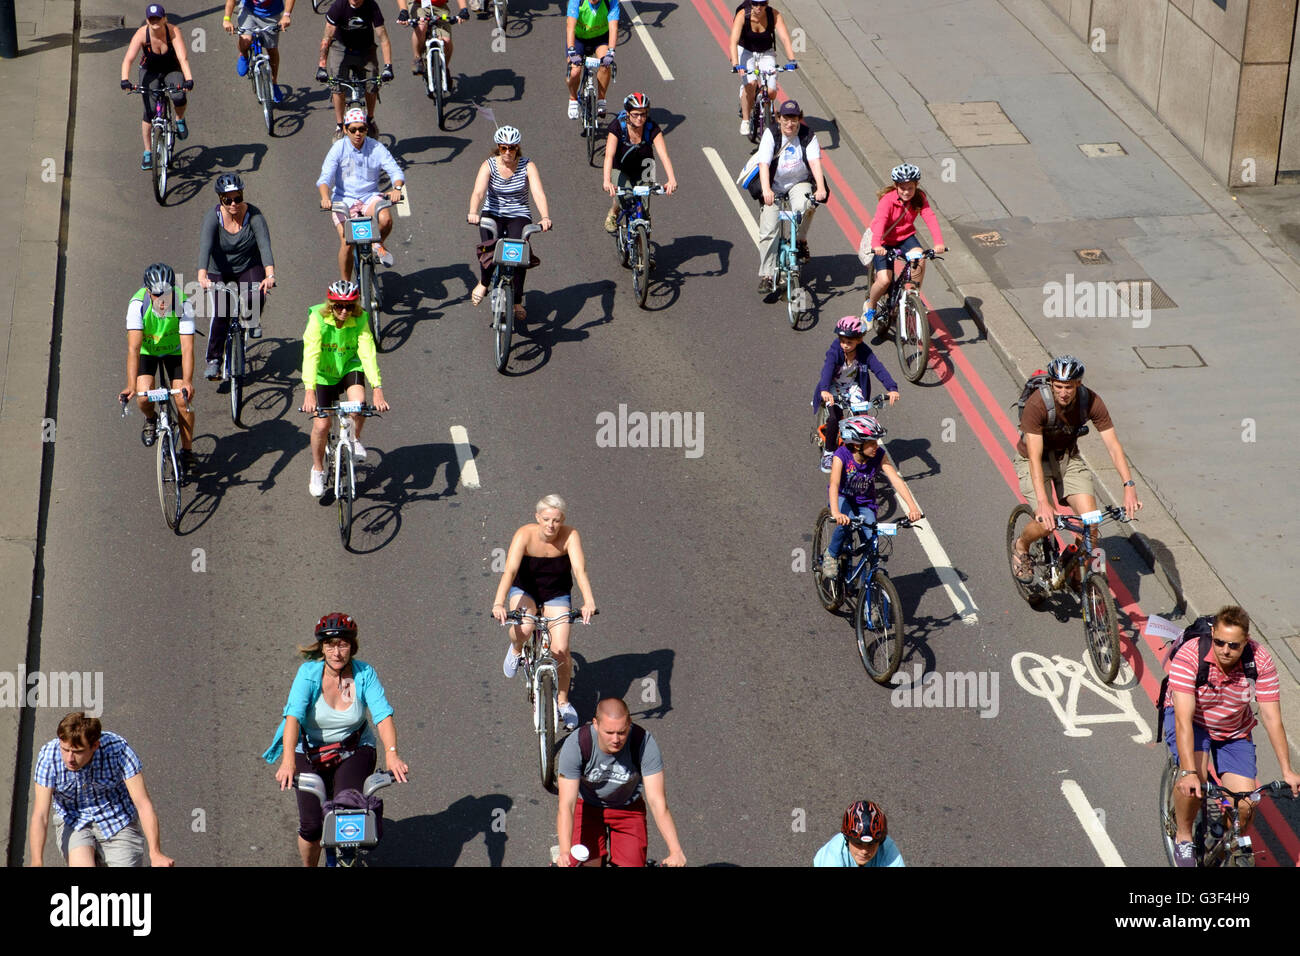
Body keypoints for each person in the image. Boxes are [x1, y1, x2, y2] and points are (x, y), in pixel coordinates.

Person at [263, 613, 409, 867]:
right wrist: (287, 761)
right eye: (330, 645)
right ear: (322, 647)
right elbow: (293, 718)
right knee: (311, 827)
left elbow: (382, 715)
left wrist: (392, 753)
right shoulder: (309, 674)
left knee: (346, 809)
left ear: (352, 646)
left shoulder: (364, 674)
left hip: (354, 749)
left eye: (343, 644)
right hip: (309, 750)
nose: (337, 652)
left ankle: (347, 851)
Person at [1166, 607, 1300, 866]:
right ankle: (1183, 837)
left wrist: (1287, 769)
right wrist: (1190, 771)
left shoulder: (1260, 661)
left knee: (1246, 804)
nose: (1225, 650)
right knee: (1195, 782)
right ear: (1213, 633)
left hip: (1233, 730)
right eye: (1219, 642)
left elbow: (1272, 718)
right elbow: (1183, 720)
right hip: (1194, 723)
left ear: (1246, 641)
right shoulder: (1189, 656)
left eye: (1234, 645)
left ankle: (1220, 835)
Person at [1009, 355, 1142, 583]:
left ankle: (1070, 569)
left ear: (1077, 384)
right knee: (1046, 524)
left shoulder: (1090, 401)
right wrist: (1043, 502)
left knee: (1091, 523)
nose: (1063, 392)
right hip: (1034, 461)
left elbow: (1113, 445)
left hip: (1068, 459)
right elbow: (1033, 456)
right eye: (1058, 386)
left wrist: (1129, 485)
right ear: (1051, 383)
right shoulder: (1037, 404)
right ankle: (1021, 544)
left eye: (1068, 387)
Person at [491, 494, 596, 730]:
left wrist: (589, 601)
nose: (551, 525)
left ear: (563, 520)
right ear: (537, 517)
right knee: (525, 627)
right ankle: (517, 649)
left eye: (556, 520)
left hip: (556, 592)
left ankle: (563, 701)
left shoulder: (571, 536)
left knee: (561, 650)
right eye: (546, 519)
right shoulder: (524, 535)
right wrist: (499, 603)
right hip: (525, 589)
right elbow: (509, 571)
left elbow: (580, 570)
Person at [29, 712, 174, 867]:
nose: (69, 758)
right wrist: (36, 861)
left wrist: (155, 852)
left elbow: (143, 804)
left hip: (118, 820)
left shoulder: (118, 750)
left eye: (78, 752)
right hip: (74, 821)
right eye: (65, 749)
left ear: (95, 746)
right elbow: (40, 815)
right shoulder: (48, 757)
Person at [555, 698, 686, 867]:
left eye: (622, 732)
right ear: (595, 724)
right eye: (609, 733)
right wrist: (565, 852)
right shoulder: (577, 744)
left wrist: (675, 850)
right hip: (587, 807)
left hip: (627, 809)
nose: (616, 739)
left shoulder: (643, 743)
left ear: (629, 724)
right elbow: (567, 805)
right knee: (587, 863)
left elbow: (657, 802)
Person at [301, 280, 388, 498]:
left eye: (349, 306)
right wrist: (309, 391)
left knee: (358, 406)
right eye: (339, 305)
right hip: (323, 374)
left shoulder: (360, 319)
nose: (344, 311)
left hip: (349, 366)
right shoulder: (317, 319)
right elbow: (310, 354)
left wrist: (377, 387)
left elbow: (367, 353)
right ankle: (318, 469)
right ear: (330, 304)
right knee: (322, 425)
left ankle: (354, 438)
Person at [467, 125, 553, 324]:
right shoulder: (488, 165)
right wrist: (473, 212)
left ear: (518, 147)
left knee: (518, 254)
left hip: (518, 215)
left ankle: (516, 301)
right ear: (499, 147)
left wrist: (545, 217)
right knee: (489, 251)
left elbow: (538, 193)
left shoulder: (527, 166)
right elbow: (478, 192)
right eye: (504, 148)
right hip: (493, 214)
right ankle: (484, 282)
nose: (508, 152)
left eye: (512, 148)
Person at [196, 173, 277, 382]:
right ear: (220, 200)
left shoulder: (255, 216)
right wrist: (202, 276)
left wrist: (270, 275)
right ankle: (214, 360)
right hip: (219, 269)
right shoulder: (213, 218)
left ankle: (252, 320)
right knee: (222, 312)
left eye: (237, 199)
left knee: (256, 293)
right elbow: (205, 248)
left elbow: (264, 246)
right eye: (228, 200)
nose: (234, 204)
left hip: (248, 266)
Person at [118, 263, 197, 476]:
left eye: (167, 295)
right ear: (147, 292)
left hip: (175, 352)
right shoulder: (137, 305)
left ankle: (187, 451)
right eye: (156, 296)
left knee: (182, 400)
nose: (163, 301)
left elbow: (188, 348)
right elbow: (134, 349)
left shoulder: (183, 303)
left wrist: (187, 381)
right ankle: (151, 419)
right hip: (148, 352)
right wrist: (129, 385)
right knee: (143, 398)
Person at [820, 416, 922, 578]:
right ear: (857, 444)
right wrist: (836, 513)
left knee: (871, 545)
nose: (877, 446)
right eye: (872, 442)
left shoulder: (879, 454)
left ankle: (867, 587)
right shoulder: (842, 455)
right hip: (843, 499)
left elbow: (895, 479)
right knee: (846, 522)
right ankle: (831, 554)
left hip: (865, 503)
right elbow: (834, 484)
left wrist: (912, 507)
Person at [317, 107, 405, 279]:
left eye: (362, 129)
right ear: (345, 130)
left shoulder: (376, 147)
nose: (358, 134)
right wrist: (325, 197)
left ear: (366, 129)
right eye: (353, 129)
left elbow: (395, 171)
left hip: (369, 197)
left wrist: (397, 188)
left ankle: (377, 244)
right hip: (344, 199)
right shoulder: (338, 149)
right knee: (347, 242)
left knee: (386, 219)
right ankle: (346, 284)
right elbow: (324, 178)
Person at [756, 100, 826, 295]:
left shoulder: (807, 135)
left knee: (806, 205)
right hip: (774, 185)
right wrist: (766, 190)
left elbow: (814, 162)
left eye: (793, 119)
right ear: (779, 118)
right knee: (769, 230)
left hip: (798, 182)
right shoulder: (771, 134)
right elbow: (763, 164)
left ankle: (801, 240)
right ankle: (767, 275)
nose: (789, 123)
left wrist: (820, 187)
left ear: (799, 119)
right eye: (786, 119)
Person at [813, 315, 900, 473]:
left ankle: (860, 451)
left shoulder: (864, 352)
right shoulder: (835, 351)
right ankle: (828, 452)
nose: (845, 345)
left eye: (849, 342)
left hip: (852, 388)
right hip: (832, 387)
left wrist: (892, 388)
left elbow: (878, 368)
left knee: (863, 421)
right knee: (834, 418)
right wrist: (824, 390)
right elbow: (827, 369)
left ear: (859, 340)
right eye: (842, 341)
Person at [863, 164, 946, 329]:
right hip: (884, 240)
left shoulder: (919, 197)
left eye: (910, 188)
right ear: (896, 186)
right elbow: (880, 223)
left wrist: (938, 242)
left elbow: (929, 217)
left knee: (920, 258)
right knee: (885, 280)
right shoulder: (887, 201)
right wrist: (877, 244)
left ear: (916, 185)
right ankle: (870, 306)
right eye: (902, 188)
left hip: (905, 237)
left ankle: (913, 295)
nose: (906, 192)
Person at [120, 3, 195, 171]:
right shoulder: (141, 34)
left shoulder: (173, 32)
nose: (155, 22)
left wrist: (189, 79)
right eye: (151, 19)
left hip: (171, 68)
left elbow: (183, 58)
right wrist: (125, 79)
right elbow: (128, 60)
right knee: (149, 111)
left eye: (158, 18)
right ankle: (148, 152)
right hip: (150, 71)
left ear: (164, 19)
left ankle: (179, 119)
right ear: (147, 20)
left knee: (178, 96)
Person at [601, 92, 677, 234]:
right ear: (628, 113)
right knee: (624, 197)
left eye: (643, 114)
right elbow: (609, 156)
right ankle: (614, 212)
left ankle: (643, 245)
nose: (640, 118)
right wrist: (607, 181)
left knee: (644, 207)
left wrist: (671, 179)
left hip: (645, 167)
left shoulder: (651, 127)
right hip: (621, 167)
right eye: (635, 114)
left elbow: (664, 155)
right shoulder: (617, 126)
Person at [316, 0, 394, 136]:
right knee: (337, 84)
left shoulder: (372, 6)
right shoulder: (338, 6)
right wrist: (321, 67)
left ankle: (370, 119)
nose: (355, 1)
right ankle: (339, 126)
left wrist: (388, 66)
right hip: (341, 48)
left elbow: (383, 38)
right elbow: (327, 38)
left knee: (373, 83)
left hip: (365, 49)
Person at [728, 0, 796, 137]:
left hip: (766, 52)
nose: (758, 7)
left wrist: (792, 60)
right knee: (751, 83)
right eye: (755, 3)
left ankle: (761, 105)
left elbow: (785, 38)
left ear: (767, 3)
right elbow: (733, 41)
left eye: (763, 4)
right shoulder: (743, 15)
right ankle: (746, 120)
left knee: (771, 91)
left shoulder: (774, 15)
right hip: (746, 51)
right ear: (751, 3)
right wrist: (736, 64)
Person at [224, 0, 294, 103]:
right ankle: (244, 55)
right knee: (245, 41)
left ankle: (273, 83)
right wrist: (227, 19)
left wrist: (286, 15)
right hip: (249, 11)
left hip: (271, 14)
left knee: (272, 49)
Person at [564, 0, 619, 120]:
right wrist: (572, 51)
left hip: (600, 38)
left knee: (605, 65)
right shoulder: (577, 2)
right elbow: (570, 27)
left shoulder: (611, 2)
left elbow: (613, 27)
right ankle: (573, 99)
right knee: (574, 71)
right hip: (579, 39)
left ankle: (601, 99)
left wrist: (611, 52)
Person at [396, 0, 468, 87]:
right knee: (421, 26)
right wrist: (403, 11)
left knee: (447, 41)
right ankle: (417, 58)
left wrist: (463, 9)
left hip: (440, 7)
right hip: (419, 5)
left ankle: (444, 69)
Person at [813, 799, 904, 867]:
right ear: (847, 839)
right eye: (858, 843)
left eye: (870, 844)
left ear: (880, 842)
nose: (864, 851)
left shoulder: (887, 848)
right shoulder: (831, 859)